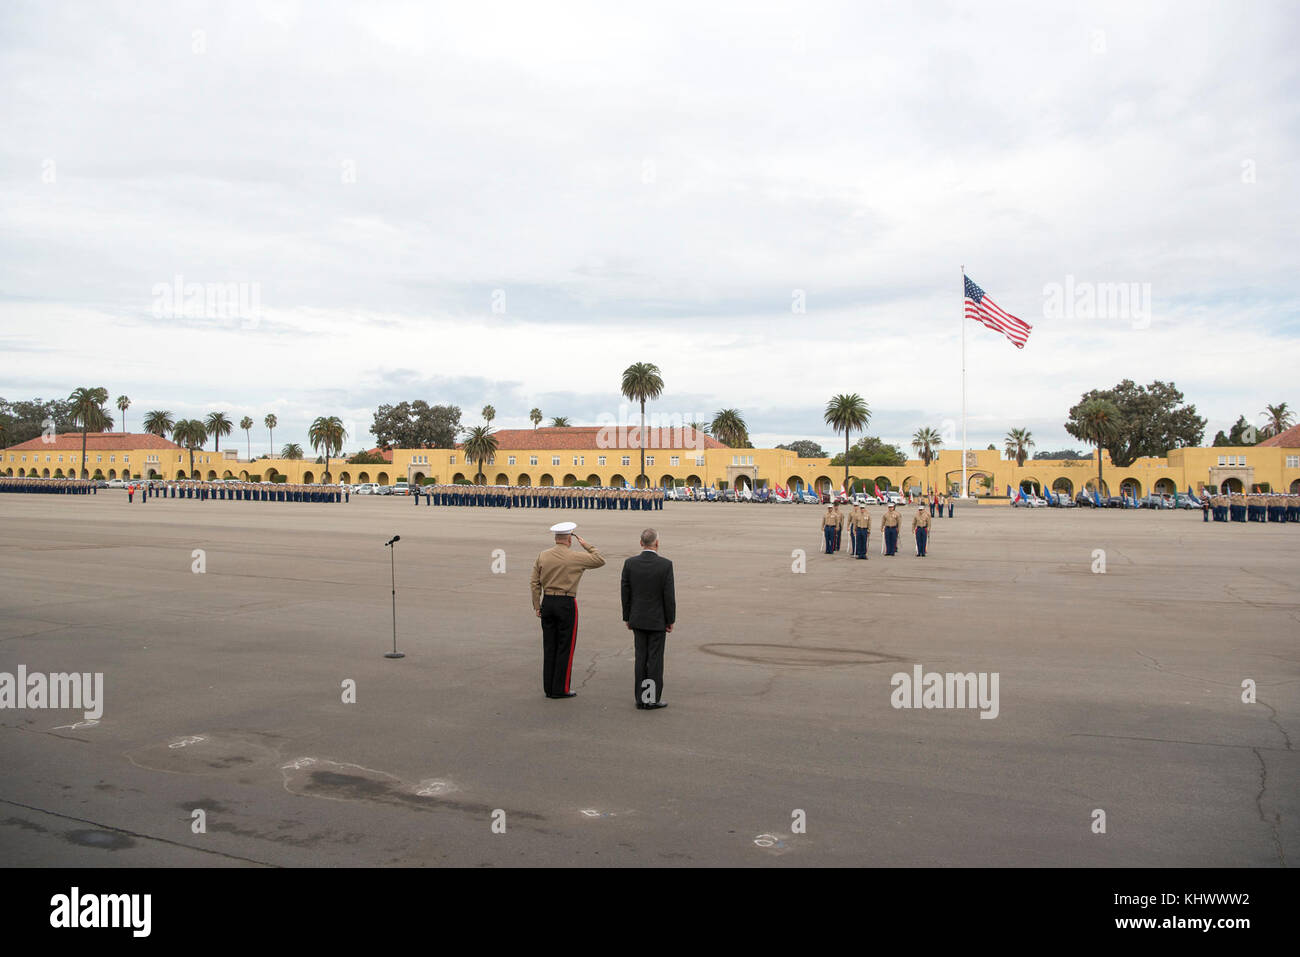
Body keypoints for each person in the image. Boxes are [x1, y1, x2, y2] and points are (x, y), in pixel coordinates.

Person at [529, 522, 605, 699]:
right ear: (570, 539)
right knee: (565, 647)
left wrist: (537, 605)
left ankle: (549, 688)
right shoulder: (575, 557)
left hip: (547, 601)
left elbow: (534, 582)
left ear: (556, 538)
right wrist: (586, 545)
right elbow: (600, 559)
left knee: (549, 646)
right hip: (566, 603)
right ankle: (561, 688)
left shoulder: (543, 555)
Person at [621, 528, 676, 710]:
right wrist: (670, 620)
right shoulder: (665, 565)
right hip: (656, 620)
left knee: (641, 658)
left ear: (640, 543)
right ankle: (650, 699)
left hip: (637, 618)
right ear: (657, 543)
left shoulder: (630, 563)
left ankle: (640, 698)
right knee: (654, 660)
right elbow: (668, 596)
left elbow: (625, 593)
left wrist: (627, 616)